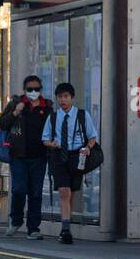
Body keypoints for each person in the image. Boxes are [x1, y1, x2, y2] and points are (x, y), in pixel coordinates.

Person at [42, 82, 99, 245]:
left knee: (71, 192)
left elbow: (92, 136)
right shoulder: (53, 117)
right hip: (58, 156)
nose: (63, 100)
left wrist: (87, 148)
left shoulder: (82, 115)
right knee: (64, 191)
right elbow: (45, 138)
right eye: (60, 97)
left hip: (76, 156)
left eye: (66, 96)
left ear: (72, 98)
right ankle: (65, 230)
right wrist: (51, 144)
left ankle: (66, 224)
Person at [0, 75, 54, 239]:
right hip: (18, 156)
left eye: (36, 89)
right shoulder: (16, 104)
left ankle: (33, 228)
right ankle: (16, 220)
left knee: (35, 192)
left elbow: (53, 128)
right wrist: (16, 112)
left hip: (39, 156)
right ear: (25, 90)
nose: (33, 92)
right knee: (19, 189)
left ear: (41, 90)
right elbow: (2, 123)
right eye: (30, 89)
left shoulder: (47, 107)